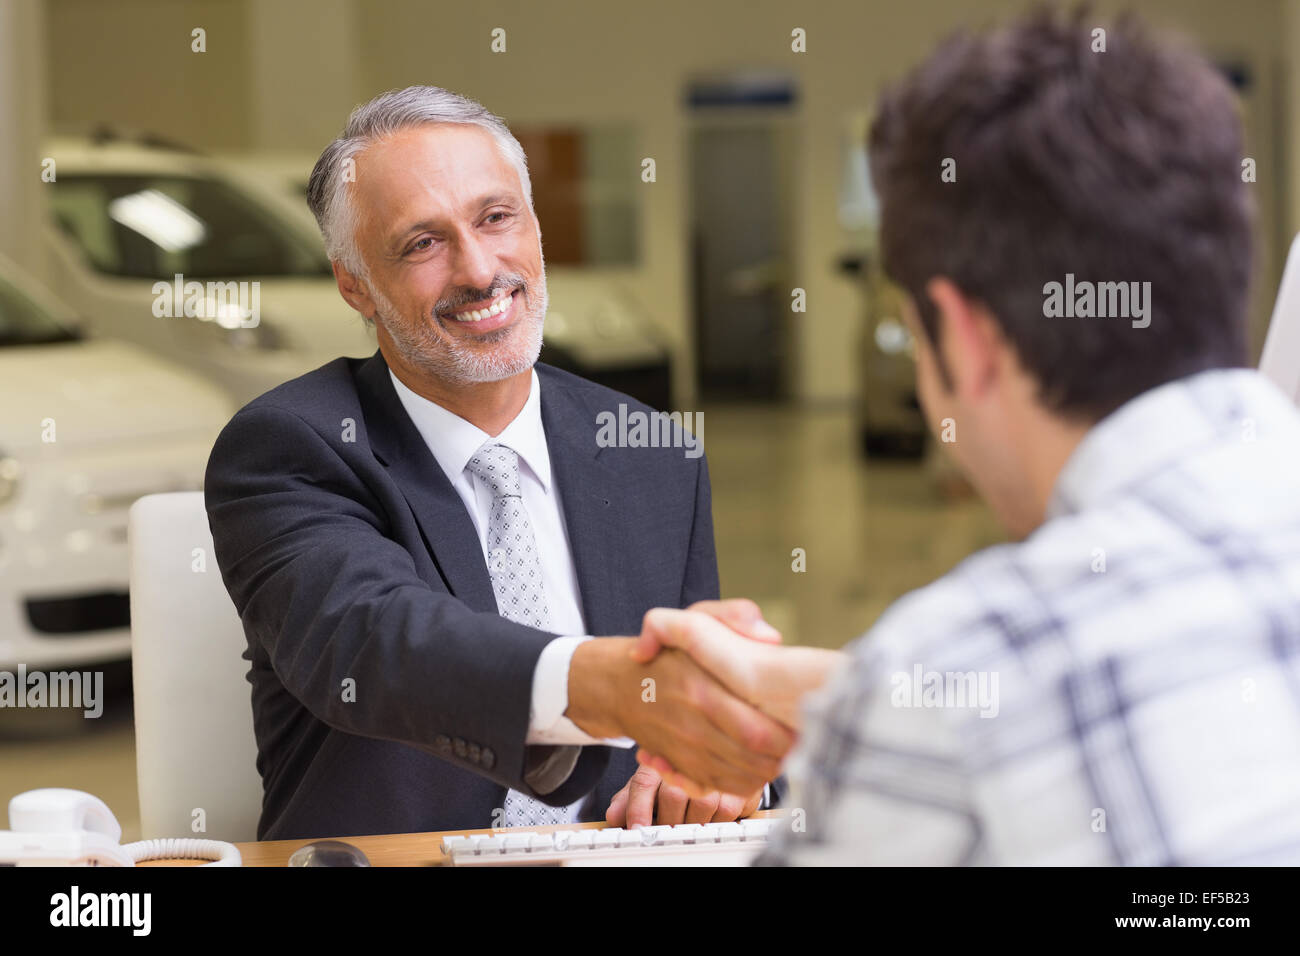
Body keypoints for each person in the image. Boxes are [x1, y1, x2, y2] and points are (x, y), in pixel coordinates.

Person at [635, 7, 1300, 865]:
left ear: (965, 339)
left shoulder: (944, 679)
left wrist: (885, 704)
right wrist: (835, 695)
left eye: (915, 333)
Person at [204, 86, 790, 840]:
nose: (480, 271)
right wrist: (610, 687)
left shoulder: (652, 450)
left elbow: (690, 733)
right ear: (356, 286)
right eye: (422, 243)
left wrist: (710, 772)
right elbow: (376, 639)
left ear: (536, 228)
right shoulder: (290, 446)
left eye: (496, 217)